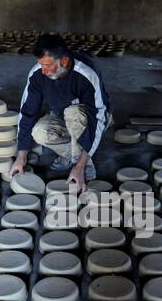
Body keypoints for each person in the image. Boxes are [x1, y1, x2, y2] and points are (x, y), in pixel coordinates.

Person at [8, 33, 108, 192]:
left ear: (64, 61)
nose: (43, 71)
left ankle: (83, 163)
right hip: (61, 115)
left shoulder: (86, 74)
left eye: (48, 65)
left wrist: (80, 165)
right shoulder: (37, 74)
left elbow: (98, 118)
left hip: (91, 118)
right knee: (39, 132)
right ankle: (71, 155)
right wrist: (21, 156)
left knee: (73, 113)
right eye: (41, 65)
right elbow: (27, 112)